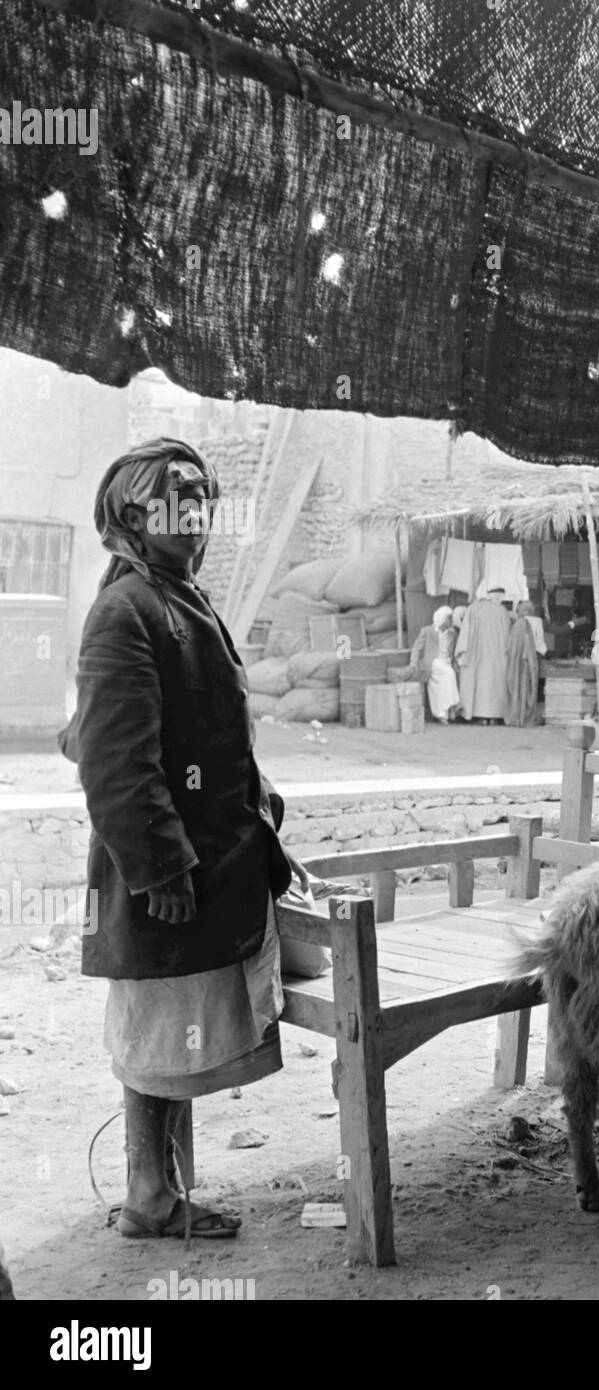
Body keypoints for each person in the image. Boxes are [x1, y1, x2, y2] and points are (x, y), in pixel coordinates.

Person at [76, 439, 299, 1240]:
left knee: (171, 1033)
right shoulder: (127, 612)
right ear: (136, 515)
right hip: (165, 876)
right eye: (180, 497)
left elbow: (213, 736)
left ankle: (157, 1188)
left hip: (209, 863)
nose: (199, 513)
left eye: (205, 497)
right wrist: (157, 866)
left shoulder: (179, 599)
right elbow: (114, 761)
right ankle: (149, 1195)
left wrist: (263, 821)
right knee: (158, 1035)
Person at [456, 587, 513, 724]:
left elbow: (465, 635)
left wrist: (461, 652)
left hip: (477, 656)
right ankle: (494, 717)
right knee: (495, 685)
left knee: (478, 683)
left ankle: (479, 717)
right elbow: (508, 636)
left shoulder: (473, 609)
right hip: (497, 657)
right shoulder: (502, 611)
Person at [410, 605, 460, 723]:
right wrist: (413, 662)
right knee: (449, 674)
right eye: (449, 618)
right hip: (433, 662)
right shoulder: (428, 631)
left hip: (447, 662)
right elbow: (417, 648)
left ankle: (443, 713)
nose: (451, 620)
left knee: (444, 683)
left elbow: (454, 651)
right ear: (442, 618)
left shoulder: (453, 633)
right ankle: (453, 706)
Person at [504, 606, 540, 727]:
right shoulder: (525, 626)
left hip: (514, 664)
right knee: (524, 692)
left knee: (515, 692)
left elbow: (509, 647)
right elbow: (529, 648)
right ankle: (522, 718)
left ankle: (515, 717)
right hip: (524, 665)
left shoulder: (515, 626)